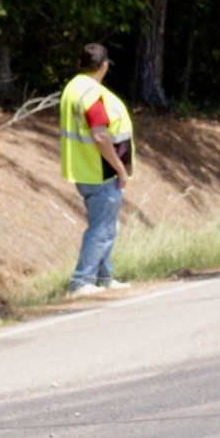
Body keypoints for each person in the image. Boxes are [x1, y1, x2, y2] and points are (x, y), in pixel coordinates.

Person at [59, 42, 136, 296]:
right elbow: (100, 135)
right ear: (104, 65)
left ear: (80, 64)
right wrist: (120, 169)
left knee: (107, 226)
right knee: (101, 227)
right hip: (98, 170)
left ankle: (104, 276)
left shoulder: (73, 87)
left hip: (84, 167)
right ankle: (81, 281)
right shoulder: (91, 93)